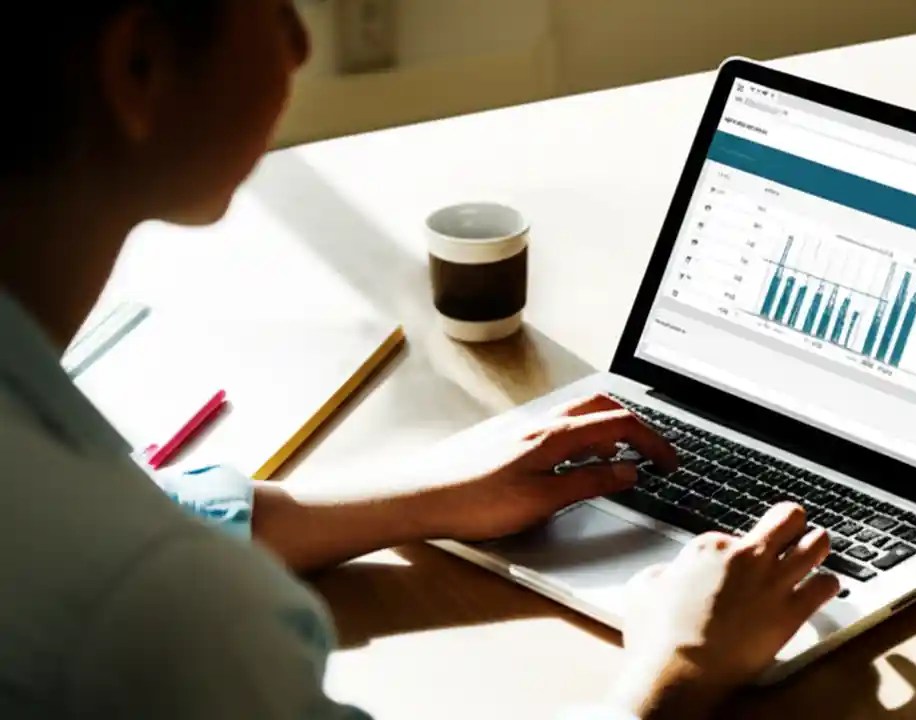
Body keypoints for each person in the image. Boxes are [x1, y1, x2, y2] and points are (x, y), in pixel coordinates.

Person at [0, 2, 839, 718]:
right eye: (280, 9)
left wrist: (408, 500)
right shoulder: (167, 618)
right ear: (140, 66)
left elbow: (141, 515)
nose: (299, 49)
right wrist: (676, 673)